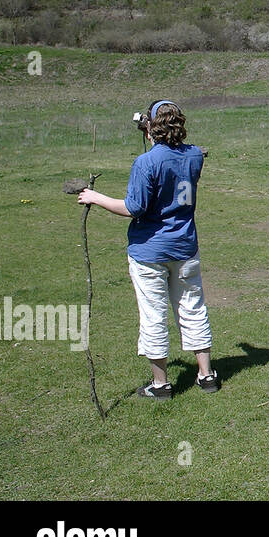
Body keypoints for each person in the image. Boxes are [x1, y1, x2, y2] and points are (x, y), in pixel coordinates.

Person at [79, 100, 219, 399]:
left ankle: (161, 384)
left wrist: (95, 197)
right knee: (193, 310)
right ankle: (206, 376)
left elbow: (134, 207)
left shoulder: (146, 162)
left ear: (150, 128)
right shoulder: (194, 155)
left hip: (150, 252)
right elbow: (179, 154)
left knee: (153, 314)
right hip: (185, 248)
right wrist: (154, 132)